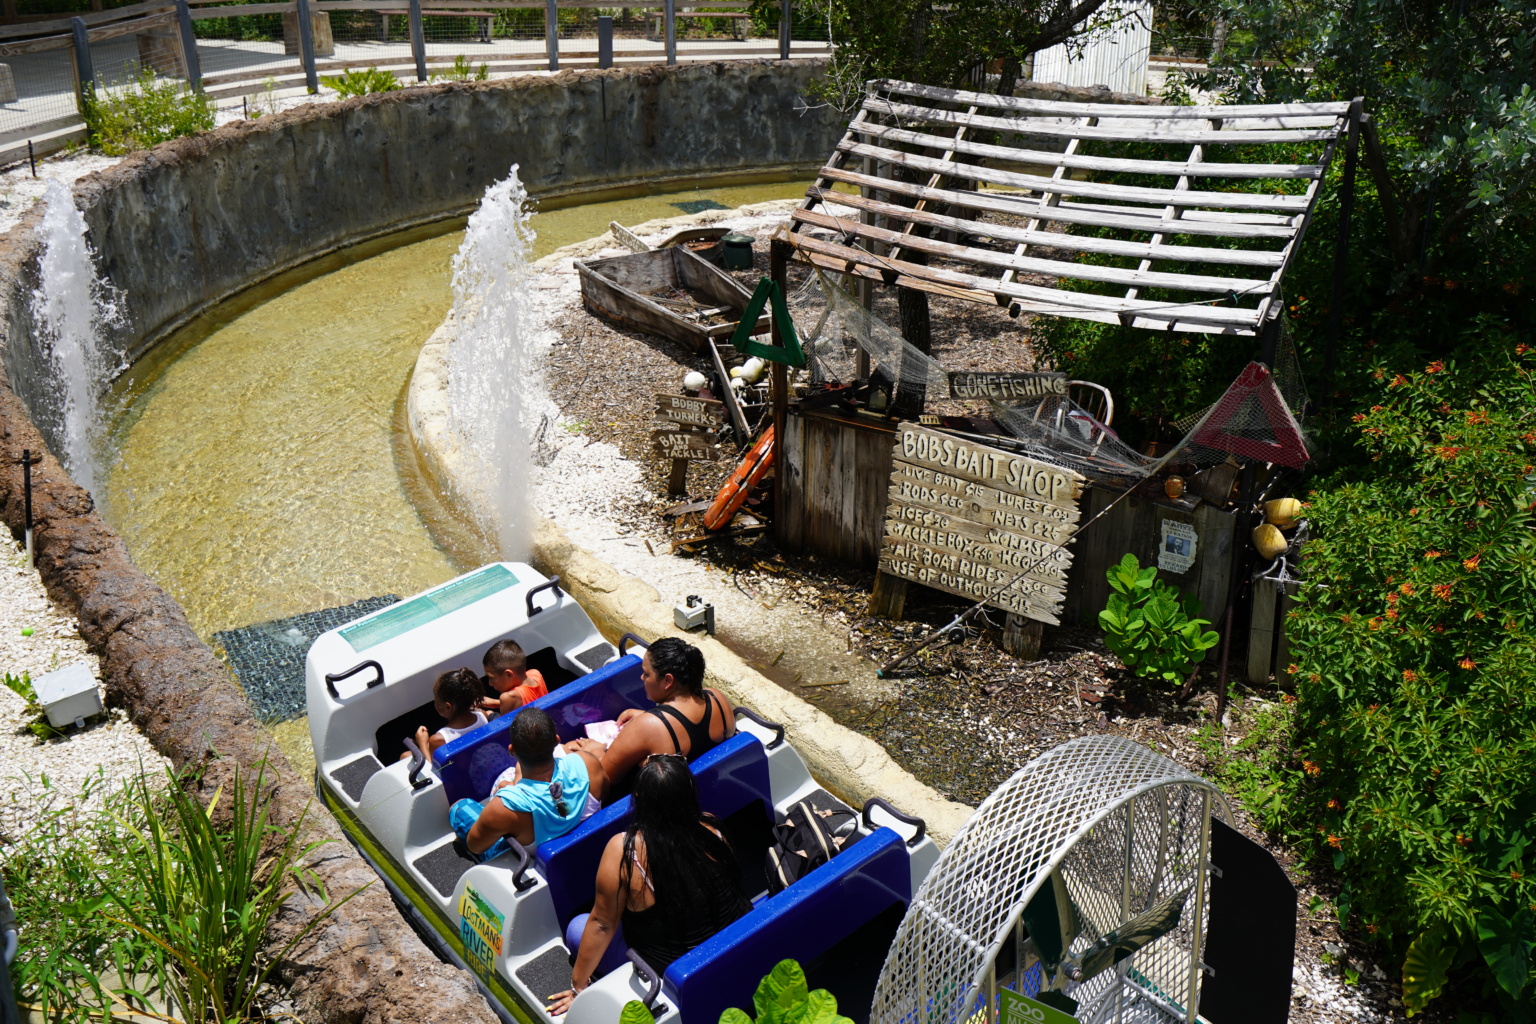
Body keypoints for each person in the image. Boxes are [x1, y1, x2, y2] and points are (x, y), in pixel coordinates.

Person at [546, 755, 751, 1014]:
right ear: (688, 794)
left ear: (639, 798)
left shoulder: (624, 850)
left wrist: (578, 989)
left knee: (579, 927)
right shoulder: (712, 827)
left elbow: (602, 924)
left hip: (673, 973)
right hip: (731, 945)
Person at [568, 637, 735, 789]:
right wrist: (647, 716)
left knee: (568, 750)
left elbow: (606, 777)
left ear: (668, 681)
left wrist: (596, 750)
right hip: (708, 785)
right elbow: (690, 730)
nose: (642, 678)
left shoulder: (647, 726)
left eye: (647, 674)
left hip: (657, 802)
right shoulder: (717, 699)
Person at [452, 707, 607, 858]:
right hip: (588, 849)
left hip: (538, 863)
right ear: (556, 741)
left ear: (512, 750)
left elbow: (475, 846)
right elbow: (604, 793)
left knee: (459, 807)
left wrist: (510, 790)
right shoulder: (589, 763)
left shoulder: (503, 808)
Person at [399, 668, 486, 761]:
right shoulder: (482, 715)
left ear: (448, 706)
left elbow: (433, 770)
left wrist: (422, 743)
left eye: (436, 700)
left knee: (405, 756)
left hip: (458, 771)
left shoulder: (439, 739)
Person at [478, 638, 548, 717]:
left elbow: (504, 727)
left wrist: (488, 715)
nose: (490, 683)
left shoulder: (508, 697)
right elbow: (528, 700)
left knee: (489, 713)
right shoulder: (535, 674)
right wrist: (494, 702)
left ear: (509, 675)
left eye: (491, 678)